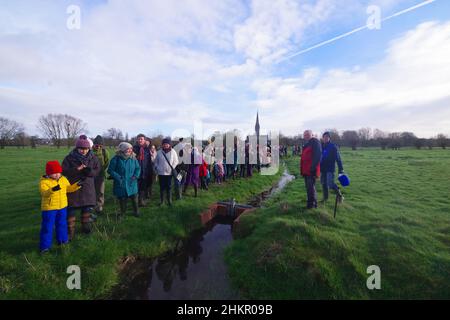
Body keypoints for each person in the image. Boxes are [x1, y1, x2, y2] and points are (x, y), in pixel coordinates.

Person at [62, 135, 100, 239]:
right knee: (71, 209)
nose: (83, 151)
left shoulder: (94, 158)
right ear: (77, 148)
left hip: (88, 187)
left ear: (89, 148)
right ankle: (70, 231)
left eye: (86, 149)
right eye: (81, 149)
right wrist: (76, 169)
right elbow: (64, 171)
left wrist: (89, 171)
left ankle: (86, 227)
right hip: (74, 187)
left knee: (87, 208)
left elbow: (97, 171)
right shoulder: (69, 158)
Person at [39, 161, 81, 253]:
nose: (57, 175)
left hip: (62, 207)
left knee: (62, 224)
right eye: (54, 173)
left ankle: (62, 241)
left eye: (59, 172)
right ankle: (45, 247)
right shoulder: (44, 182)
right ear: (49, 173)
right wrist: (52, 190)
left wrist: (77, 185)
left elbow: (68, 188)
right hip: (49, 208)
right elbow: (44, 193)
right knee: (47, 227)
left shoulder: (63, 179)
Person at [108, 142, 141, 217]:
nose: (129, 150)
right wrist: (118, 177)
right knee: (122, 199)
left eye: (130, 149)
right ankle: (123, 213)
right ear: (122, 149)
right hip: (121, 182)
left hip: (132, 182)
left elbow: (138, 168)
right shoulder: (116, 158)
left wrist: (135, 176)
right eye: (127, 149)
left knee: (134, 198)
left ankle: (136, 211)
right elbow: (110, 170)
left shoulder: (133, 158)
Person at [320, 132, 345, 203]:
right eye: (324, 137)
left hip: (330, 169)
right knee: (323, 183)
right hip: (322, 168)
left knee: (330, 184)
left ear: (329, 138)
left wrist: (341, 169)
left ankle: (340, 196)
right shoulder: (321, 146)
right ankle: (325, 198)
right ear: (322, 138)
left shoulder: (333, 147)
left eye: (327, 137)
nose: (325, 138)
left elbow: (338, 159)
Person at [300, 130, 322, 209]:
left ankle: (311, 205)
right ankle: (312, 203)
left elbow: (317, 156)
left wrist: (313, 168)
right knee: (309, 188)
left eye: (307, 134)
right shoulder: (307, 143)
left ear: (311, 134)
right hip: (306, 170)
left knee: (310, 187)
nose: (306, 136)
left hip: (311, 170)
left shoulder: (315, 142)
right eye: (305, 135)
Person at [154, 137, 179, 206]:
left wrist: (172, 168)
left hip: (169, 173)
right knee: (162, 187)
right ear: (162, 145)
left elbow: (176, 161)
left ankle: (169, 200)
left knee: (169, 187)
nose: (165, 145)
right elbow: (156, 161)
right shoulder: (159, 152)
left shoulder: (173, 152)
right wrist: (157, 167)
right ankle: (162, 201)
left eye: (167, 144)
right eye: (164, 144)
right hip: (161, 173)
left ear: (169, 145)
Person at [92, 135, 110, 215]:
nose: (98, 147)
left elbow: (107, 162)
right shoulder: (90, 151)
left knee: (100, 191)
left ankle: (99, 206)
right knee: (91, 190)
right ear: (93, 144)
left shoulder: (104, 152)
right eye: (97, 145)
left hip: (101, 174)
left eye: (100, 146)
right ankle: (92, 205)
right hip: (91, 174)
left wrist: (102, 169)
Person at [133, 134, 152, 207]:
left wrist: (149, 171)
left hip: (145, 171)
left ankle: (141, 201)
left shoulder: (147, 149)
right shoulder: (134, 148)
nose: (140, 140)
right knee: (136, 188)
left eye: (142, 139)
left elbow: (149, 161)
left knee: (143, 188)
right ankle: (135, 203)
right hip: (136, 172)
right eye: (139, 139)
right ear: (137, 140)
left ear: (145, 140)